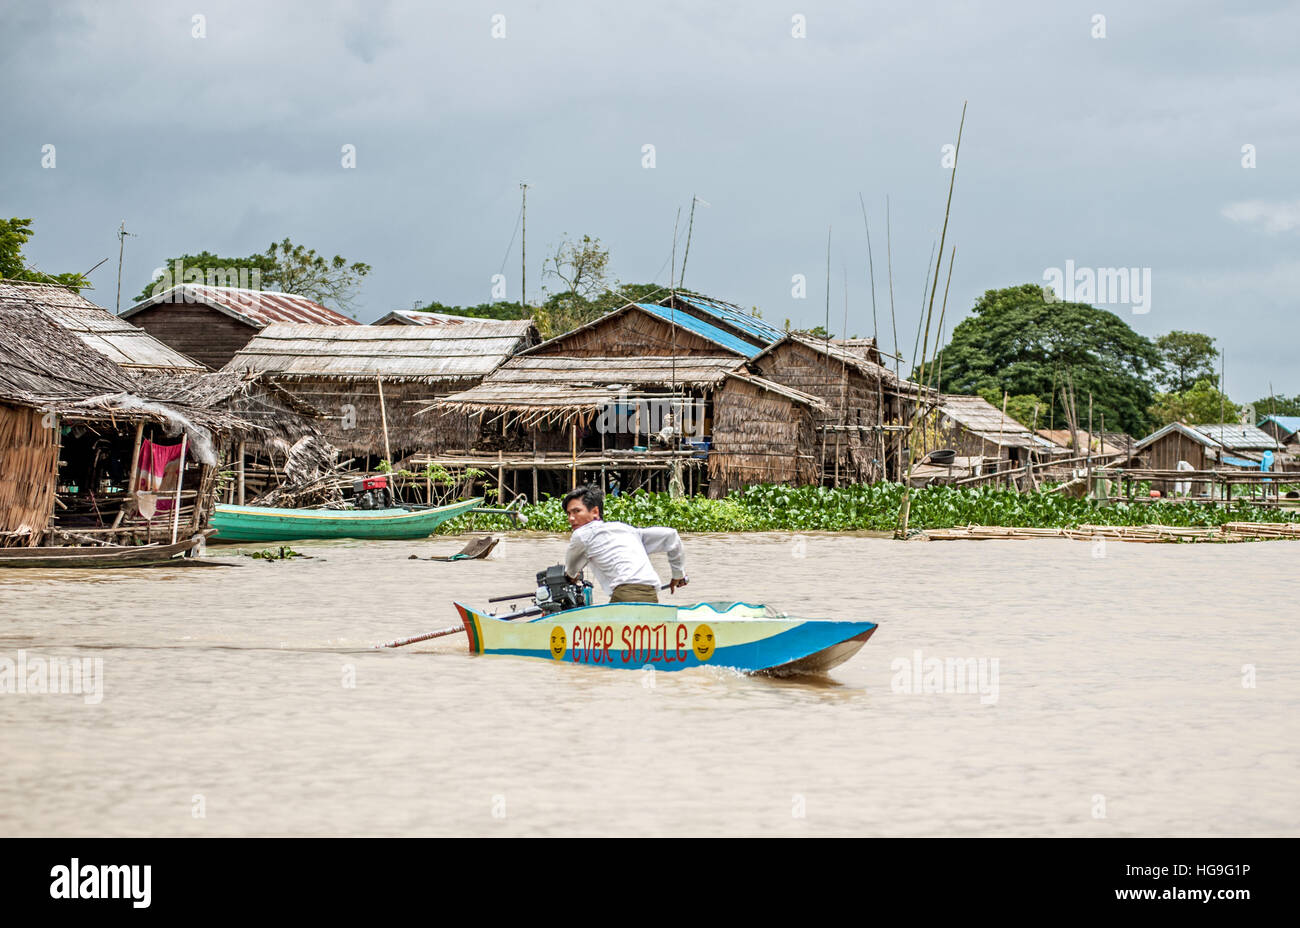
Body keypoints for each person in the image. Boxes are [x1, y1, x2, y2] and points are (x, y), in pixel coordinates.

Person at [563, 485, 687, 603]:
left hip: (626, 593)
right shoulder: (627, 529)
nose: (571, 518)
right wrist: (678, 574)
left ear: (595, 511)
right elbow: (671, 536)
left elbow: (571, 571)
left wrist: (572, 576)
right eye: (568, 514)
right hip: (650, 593)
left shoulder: (581, 534)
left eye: (576, 511)